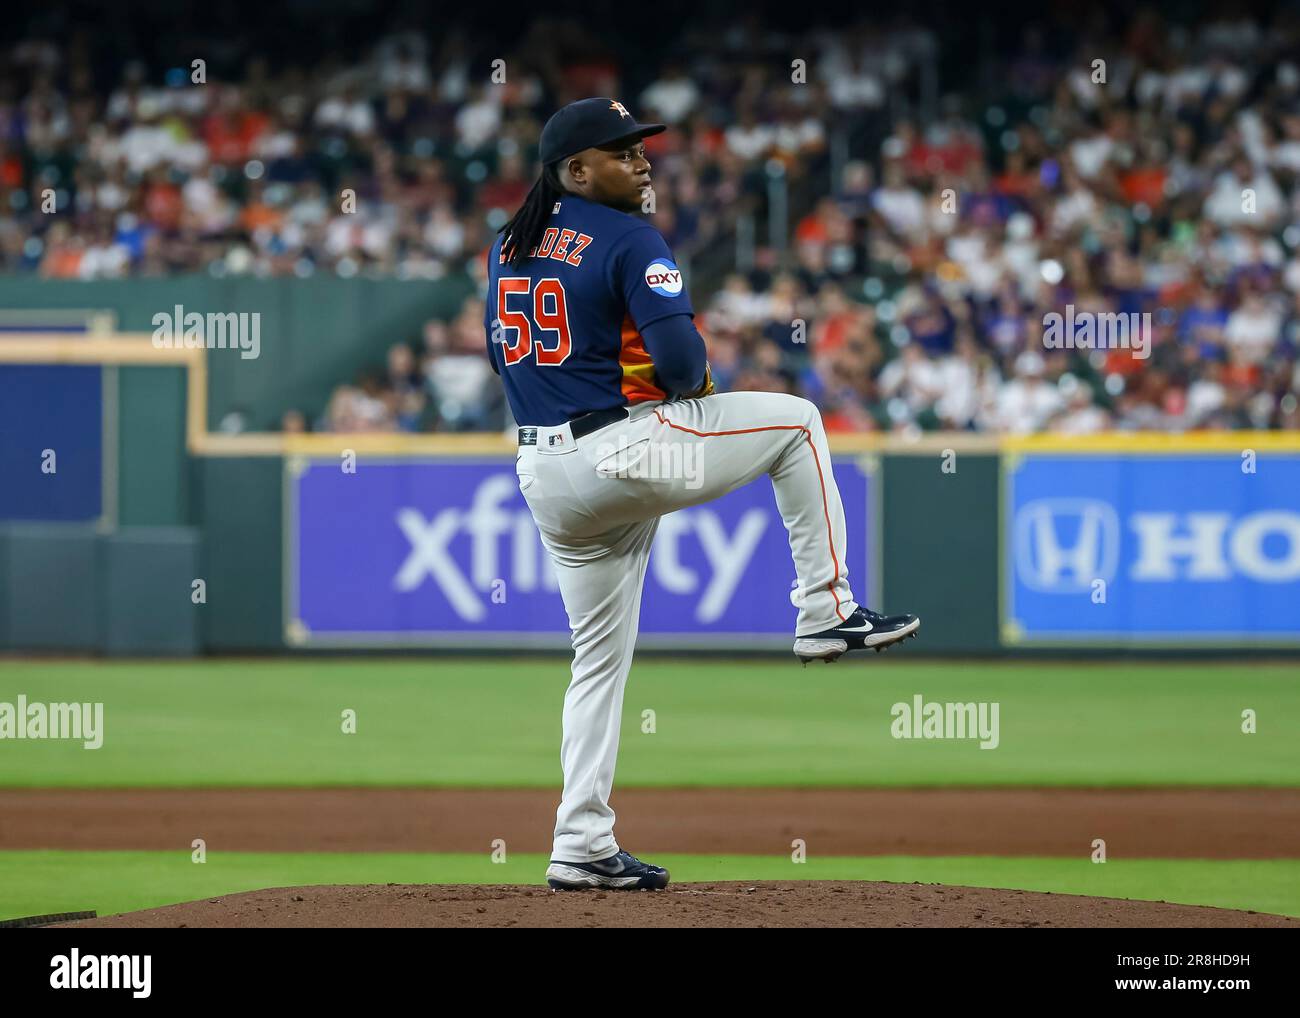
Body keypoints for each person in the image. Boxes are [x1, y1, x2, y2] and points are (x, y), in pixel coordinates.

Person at [484, 98, 920, 892]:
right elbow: (683, 367)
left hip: (545, 471)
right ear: (577, 171)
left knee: (596, 664)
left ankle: (579, 843)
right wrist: (681, 383)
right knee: (796, 423)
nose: (642, 160)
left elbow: (513, 353)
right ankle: (825, 611)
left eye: (641, 147)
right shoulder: (628, 236)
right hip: (624, 448)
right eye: (621, 151)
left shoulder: (508, 245)